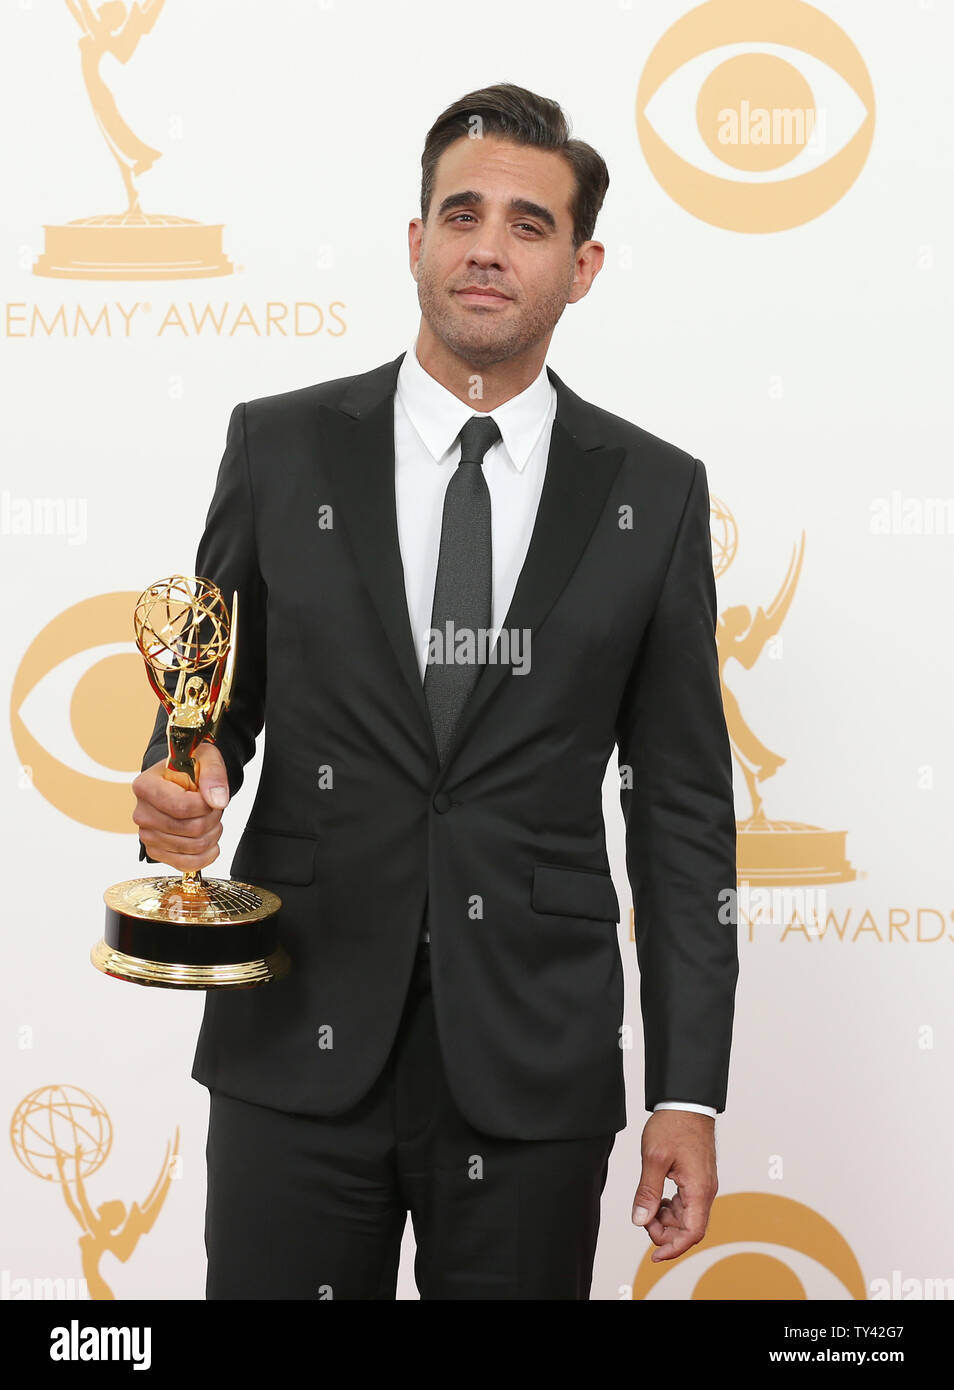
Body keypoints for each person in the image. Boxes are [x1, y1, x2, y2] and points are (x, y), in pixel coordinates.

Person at [132, 82, 738, 1301]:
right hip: (292, 1039)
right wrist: (179, 785)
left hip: (532, 1060)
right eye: (461, 215)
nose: (487, 248)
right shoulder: (281, 444)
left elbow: (679, 805)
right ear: (416, 241)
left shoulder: (656, 494)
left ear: (582, 266)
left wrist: (686, 1089)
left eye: (529, 224)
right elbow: (206, 701)